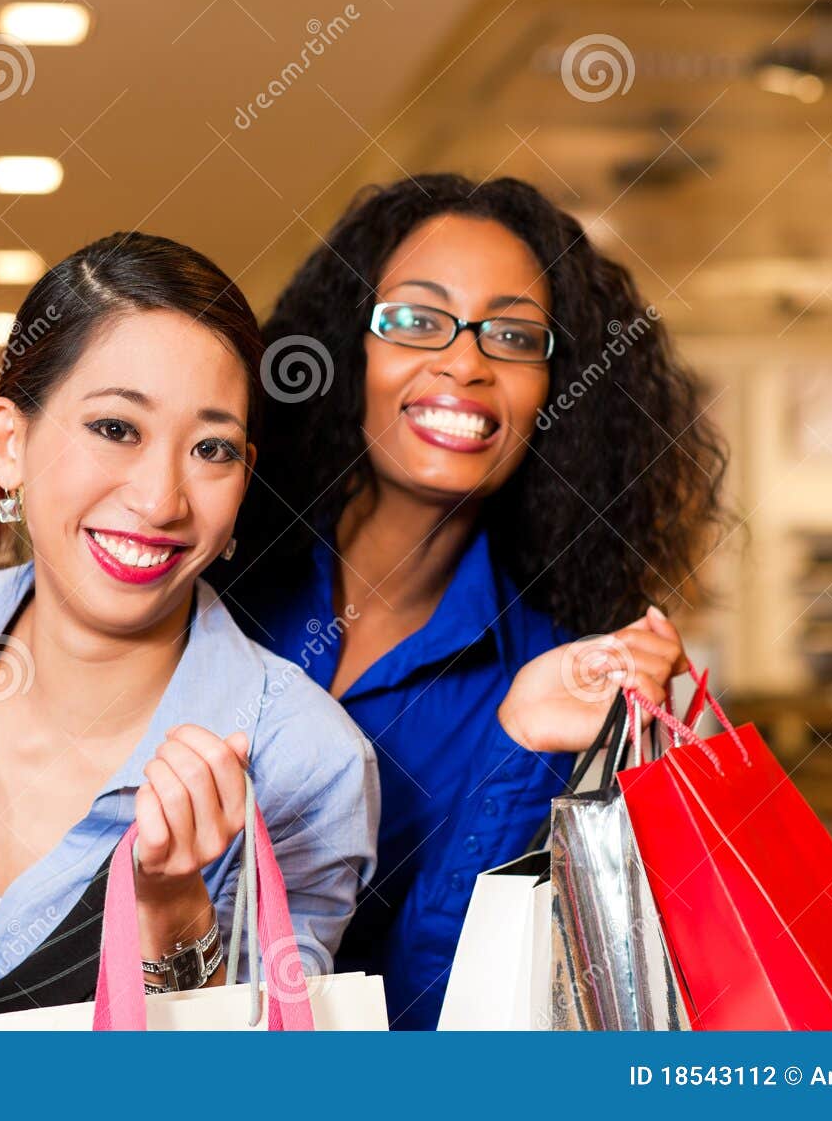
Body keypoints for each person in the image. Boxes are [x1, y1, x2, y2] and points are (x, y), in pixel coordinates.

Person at [222, 173, 728, 1029]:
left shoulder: (555, 681)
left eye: (514, 336)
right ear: (348, 351)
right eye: (417, 320)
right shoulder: (219, 580)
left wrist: (518, 742)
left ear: (558, 392)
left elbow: (444, 1010)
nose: (465, 362)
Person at [0, 232, 379, 1029]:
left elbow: (260, 1076)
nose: (160, 499)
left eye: (211, 448)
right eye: (117, 428)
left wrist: (175, 914)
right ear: (8, 443)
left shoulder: (307, 759)